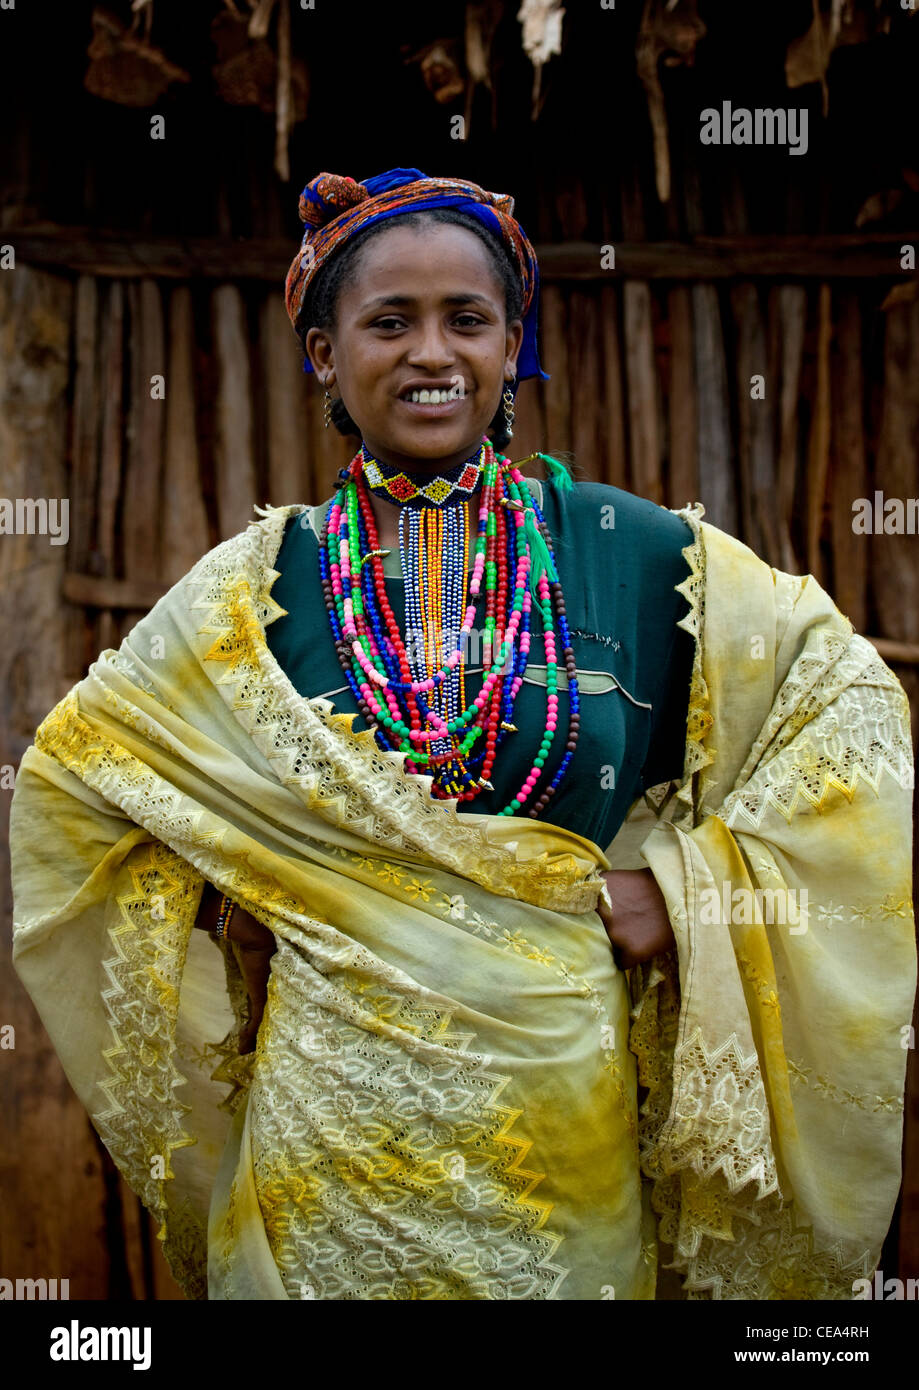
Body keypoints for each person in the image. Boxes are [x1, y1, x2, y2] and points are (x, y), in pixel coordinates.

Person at [9, 168, 916, 1302]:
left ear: (509, 345)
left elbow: (851, 721)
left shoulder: (628, 553)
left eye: (466, 320)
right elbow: (71, 784)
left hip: (563, 1153)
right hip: (326, 1164)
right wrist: (238, 876)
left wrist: (684, 893)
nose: (431, 352)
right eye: (388, 321)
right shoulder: (248, 595)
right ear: (325, 353)